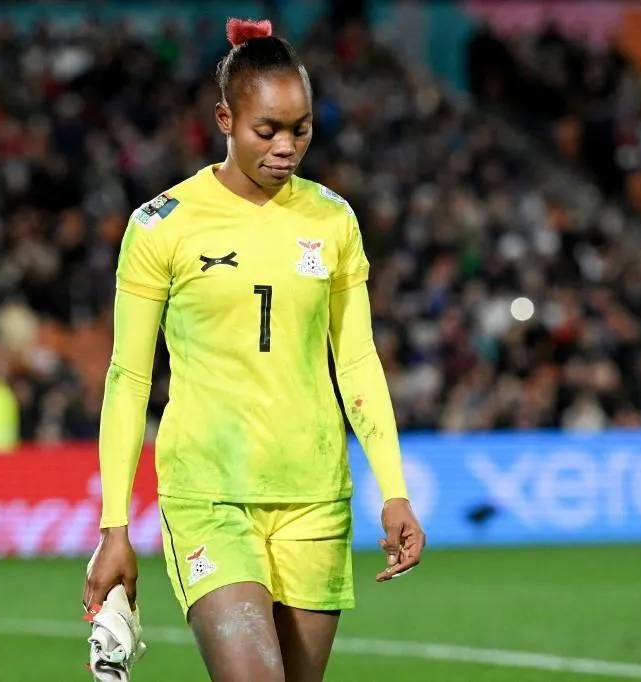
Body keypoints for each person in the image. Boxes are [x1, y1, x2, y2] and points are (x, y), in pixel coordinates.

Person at [83, 17, 426, 682]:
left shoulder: (332, 219)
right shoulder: (162, 225)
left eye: (301, 128)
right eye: (266, 129)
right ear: (224, 119)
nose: (287, 146)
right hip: (208, 492)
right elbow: (127, 376)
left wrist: (394, 491)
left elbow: (356, 359)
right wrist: (114, 525)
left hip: (314, 495)